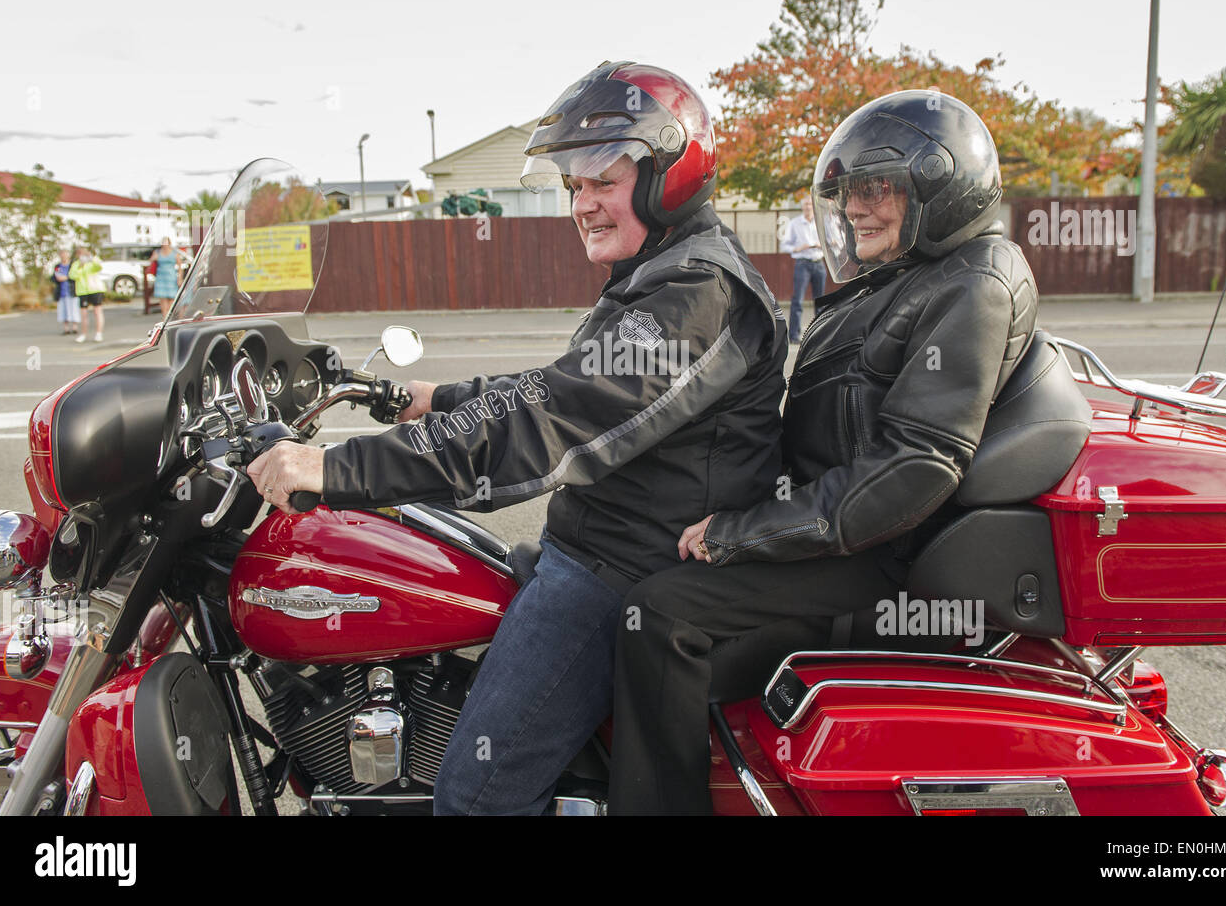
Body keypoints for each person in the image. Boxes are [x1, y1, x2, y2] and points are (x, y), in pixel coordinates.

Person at [248, 61, 789, 815]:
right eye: (572, 184)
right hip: (599, 540)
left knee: (474, 801)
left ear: (670, 170)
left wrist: (336, 469)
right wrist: (433, 398)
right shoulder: (663, 270)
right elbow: (563, 386)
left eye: (602, 177)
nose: (583, 203)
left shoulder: (693, 293)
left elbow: (553, 420)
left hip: (617, 566)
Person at [607, 90, 1040, 815]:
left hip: (880, 553)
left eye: (877, 189)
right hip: (840, 524)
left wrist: (743, 534)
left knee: (659, 614)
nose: (856, 209)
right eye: (848, 193)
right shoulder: (910, 274)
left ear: (939, 186)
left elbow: (916, 466)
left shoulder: (975, 282)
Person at [780, 193, 825, 343]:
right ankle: (794, 336)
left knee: (820, 302)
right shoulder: (794, 223)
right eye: (805, 205)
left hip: (818, 262)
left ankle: (819, 335)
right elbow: (784, 245)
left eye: (810, 204)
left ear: (814, 206)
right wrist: (799, 248)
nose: (808, 207)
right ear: (802, 207)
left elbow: (832, 242)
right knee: (798, 301)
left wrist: (822, 245)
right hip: (803, 264)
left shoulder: (821, 222)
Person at [69, 245, 105, 343]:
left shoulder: (92, 262)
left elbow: (99, 266)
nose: (82, 255)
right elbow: (72, 275)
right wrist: (80, 266)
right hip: (82, 292)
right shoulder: (76, 264)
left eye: (83, 253)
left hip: (95, 290)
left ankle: (99, 333)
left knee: (97, 312)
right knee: (84, 314)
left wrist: (92, 258)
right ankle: (83, 334)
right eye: (80, 253)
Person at [150, 239, 189, 319]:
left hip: (171, 277)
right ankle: (165, 317)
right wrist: (154, 258)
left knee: (172, 298)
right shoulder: (157, 252)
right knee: (163, 298)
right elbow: (151, 261)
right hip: (161, 277)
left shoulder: (174, 253)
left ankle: (170, 317)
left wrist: (180, 278)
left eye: (166, 242)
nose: (164, 244)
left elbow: (180, 266)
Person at [52, 249, 79, 335]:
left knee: (74, 309)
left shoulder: (73, 265)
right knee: (63, 310)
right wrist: (64, 277)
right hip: (61, 292)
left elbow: (75, 276)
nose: (63, 256)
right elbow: (57, 277)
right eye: (62, 254)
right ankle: (66, 328)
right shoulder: (57, 266)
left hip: (72, 291)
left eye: (65, 254)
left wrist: (66, 277)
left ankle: (75, 327)